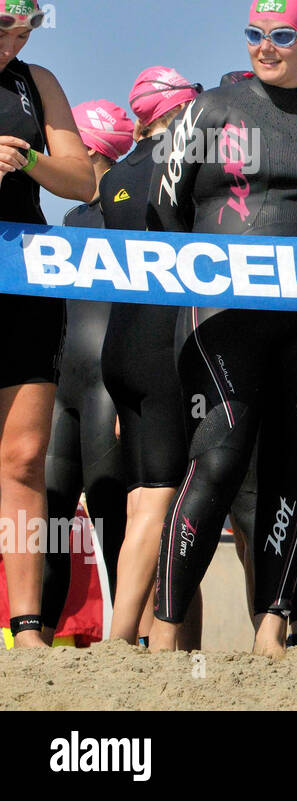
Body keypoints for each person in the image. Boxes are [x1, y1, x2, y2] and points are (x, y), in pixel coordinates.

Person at [149, 0, 297, 656]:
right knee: (218, 456)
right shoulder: (209, 110)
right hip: (226, 313)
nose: (265, 48)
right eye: (254, 34)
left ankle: (271, 627)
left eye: (282, 36)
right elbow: (166, 207)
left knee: (290, 467)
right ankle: (164, 629)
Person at [0, 0, 97, 647]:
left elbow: (85, 179)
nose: (18, 36)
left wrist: (29, 161)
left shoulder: (38, 83)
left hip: (23, 276)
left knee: (25, 455)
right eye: (6, 23)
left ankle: (27, 623)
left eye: (28, 24)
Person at [101, 67, 204, 647]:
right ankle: (122, 640)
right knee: (160, 497)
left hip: (120, 345)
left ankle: (160, 638)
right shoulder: (180, 166)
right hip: (164, 343)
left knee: (146, 494)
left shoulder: (117, 173)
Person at [40, 101, 134, 641]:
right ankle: (37, 636)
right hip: (62, 388)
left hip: (105, 385)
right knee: (50, 522)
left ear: (93, 148)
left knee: (109, 518)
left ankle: (128, 642)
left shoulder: (130, 214)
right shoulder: (72, 220)